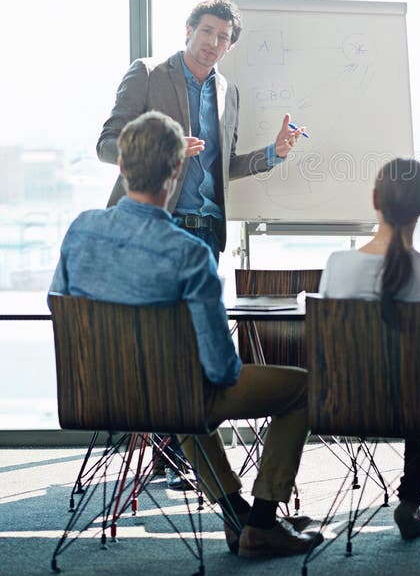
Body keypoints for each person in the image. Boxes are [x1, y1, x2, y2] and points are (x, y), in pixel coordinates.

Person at [51, 111, 322, 559]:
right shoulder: (189, 253)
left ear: (121, 166)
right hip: (172, 399)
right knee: (300, 387)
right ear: (179, 169)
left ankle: (238, 517)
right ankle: (262, 520)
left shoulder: (79, 231)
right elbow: (221, 368)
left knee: (180, 388)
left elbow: (59, 303)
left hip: (94, 395)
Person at [97, 0, 303, 487]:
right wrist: (163, 147)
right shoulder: (149, 74)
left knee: (186, 346)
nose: (214, 44)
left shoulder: (228, 91)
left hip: (206, 233)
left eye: (224, 38)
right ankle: (174, 457)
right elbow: (107, 144)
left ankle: (179, 456)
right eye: (207, 32)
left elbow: (220, 166)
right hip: (154, 227)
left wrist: (271, 155)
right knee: (170, 347)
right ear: (188, 29)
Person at [318, 158, 420, 540]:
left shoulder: (337, 266)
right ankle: (419, 492)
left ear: (375, 199)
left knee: (412, 378)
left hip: (351, 406)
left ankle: (416, 496)